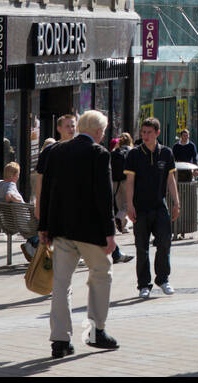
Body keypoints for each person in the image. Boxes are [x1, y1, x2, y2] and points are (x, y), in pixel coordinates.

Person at [38, 110, 119, 358]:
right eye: (103, 131)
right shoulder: (98, 154)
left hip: (61, 229)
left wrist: (44, 227)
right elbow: (104, 195)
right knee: (101, 274)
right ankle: (96, 331)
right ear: (97, 131)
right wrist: (110, 232)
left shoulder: (56, 151)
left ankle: (60, 340)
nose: (103, 135)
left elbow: (47, 190)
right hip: (90, 230)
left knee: (61, 284)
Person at [123, 118, 179, 298]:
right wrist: (129, 205)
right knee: (141, 247)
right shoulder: (134, 154)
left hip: (159, 205)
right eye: (143, 132)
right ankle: (143, 285)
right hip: (140, 207)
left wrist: (176, 203)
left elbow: (171, 180)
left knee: (164, 242)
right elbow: (129, 182)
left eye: (149, 132)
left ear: (157, 133)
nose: (145, 136)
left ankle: (163, 279)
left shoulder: (167, 153)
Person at [0, 162, 40, 261]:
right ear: (14, 176)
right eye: (18, 174)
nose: (18, 177)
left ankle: (31, 246)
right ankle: (32, 245)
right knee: (43, 224)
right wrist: (19, 201)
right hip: (24, 223)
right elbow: (8, 196)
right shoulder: (11, 185)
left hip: (9, 222)